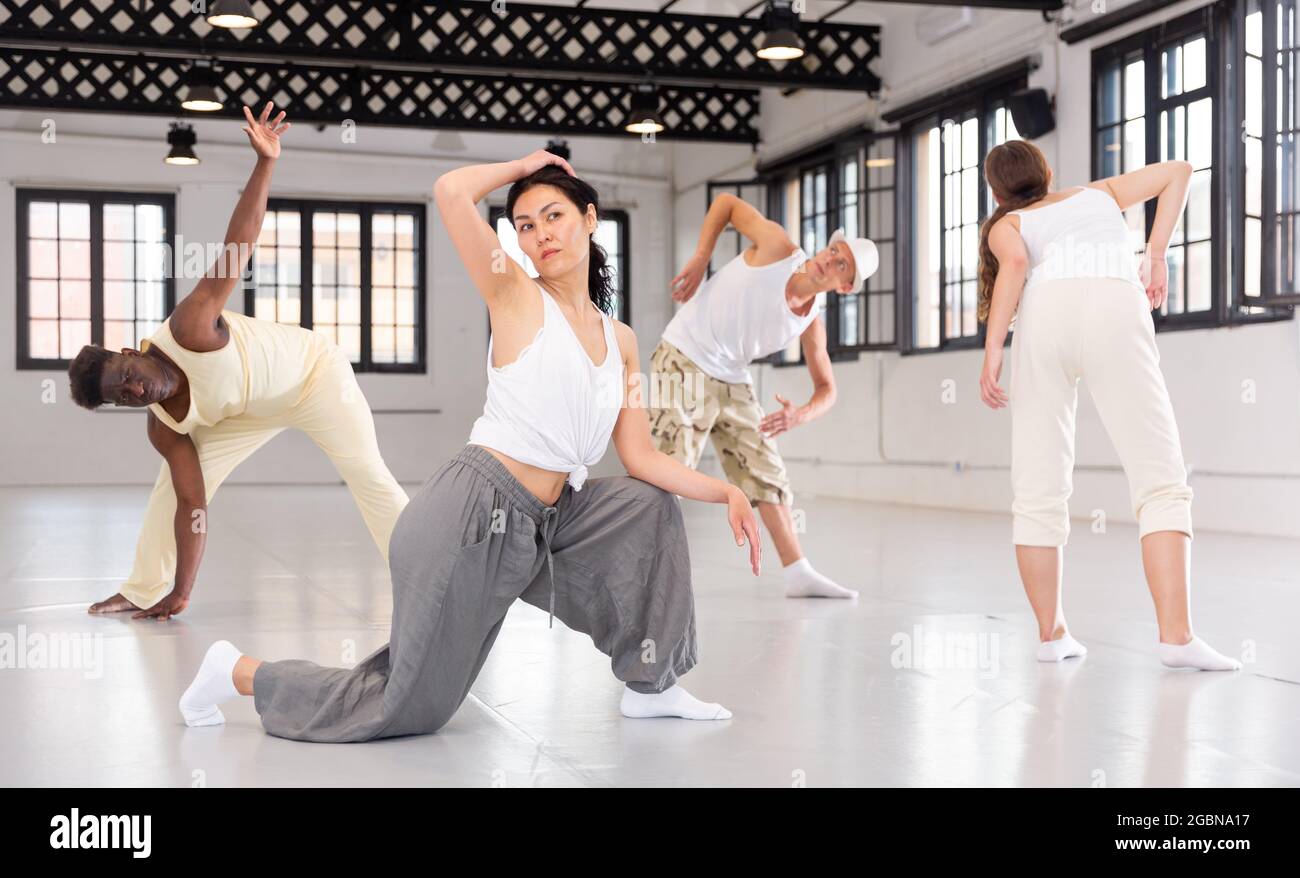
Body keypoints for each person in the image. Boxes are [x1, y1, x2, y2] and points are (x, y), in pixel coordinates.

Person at [176, 152, 764, 740]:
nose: (540, 235)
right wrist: (527, 165)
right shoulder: (514, 292)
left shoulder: (624, 341)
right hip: (472, 516)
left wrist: (726, 491)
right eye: (526, 226)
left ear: (590, 218)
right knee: (407, 707)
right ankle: (236, 672)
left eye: (554, 215)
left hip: (553, 519)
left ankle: (651, 685)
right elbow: (451, 192)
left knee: (650, 504)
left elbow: (642, 459)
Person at [67, 102, 408, 620]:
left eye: (128, 377)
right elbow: (192, 507)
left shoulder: (189, 328)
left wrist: (266, 161)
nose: (136, 392)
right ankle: (144, 588)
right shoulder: (164, 426)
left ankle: (425, 573)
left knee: (367, 473)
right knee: (171, 490)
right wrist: (183, 591)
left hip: (314, 376)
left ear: (131, 353)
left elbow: (238, 246)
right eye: (123, 399)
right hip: (245, 410)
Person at [977, 139, 1240, 671]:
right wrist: (1156, 252)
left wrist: (992, 352)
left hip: (1044, 316)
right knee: (1160, 478)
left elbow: (1016, 264)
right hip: (1114, 304)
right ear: (1047, 172)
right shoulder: (1097, 195)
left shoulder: (1007, 227)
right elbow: (1180, 170)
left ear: (998, 192)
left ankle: (1052, 636)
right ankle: (1176, 635)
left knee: (1038, 485)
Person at [650, 192, 877, 599]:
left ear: (844, 287)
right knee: (671, 468)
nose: (829, 258)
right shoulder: (779, 247)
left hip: (732, 376)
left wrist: (799, 415)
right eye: (833, 250)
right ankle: (647, 568)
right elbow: (726, 204)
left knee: (766, 471)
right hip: (684, 353)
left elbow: (828, 389)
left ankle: (798, 572)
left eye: (841, 264)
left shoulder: (810, 323)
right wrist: (703, 256)